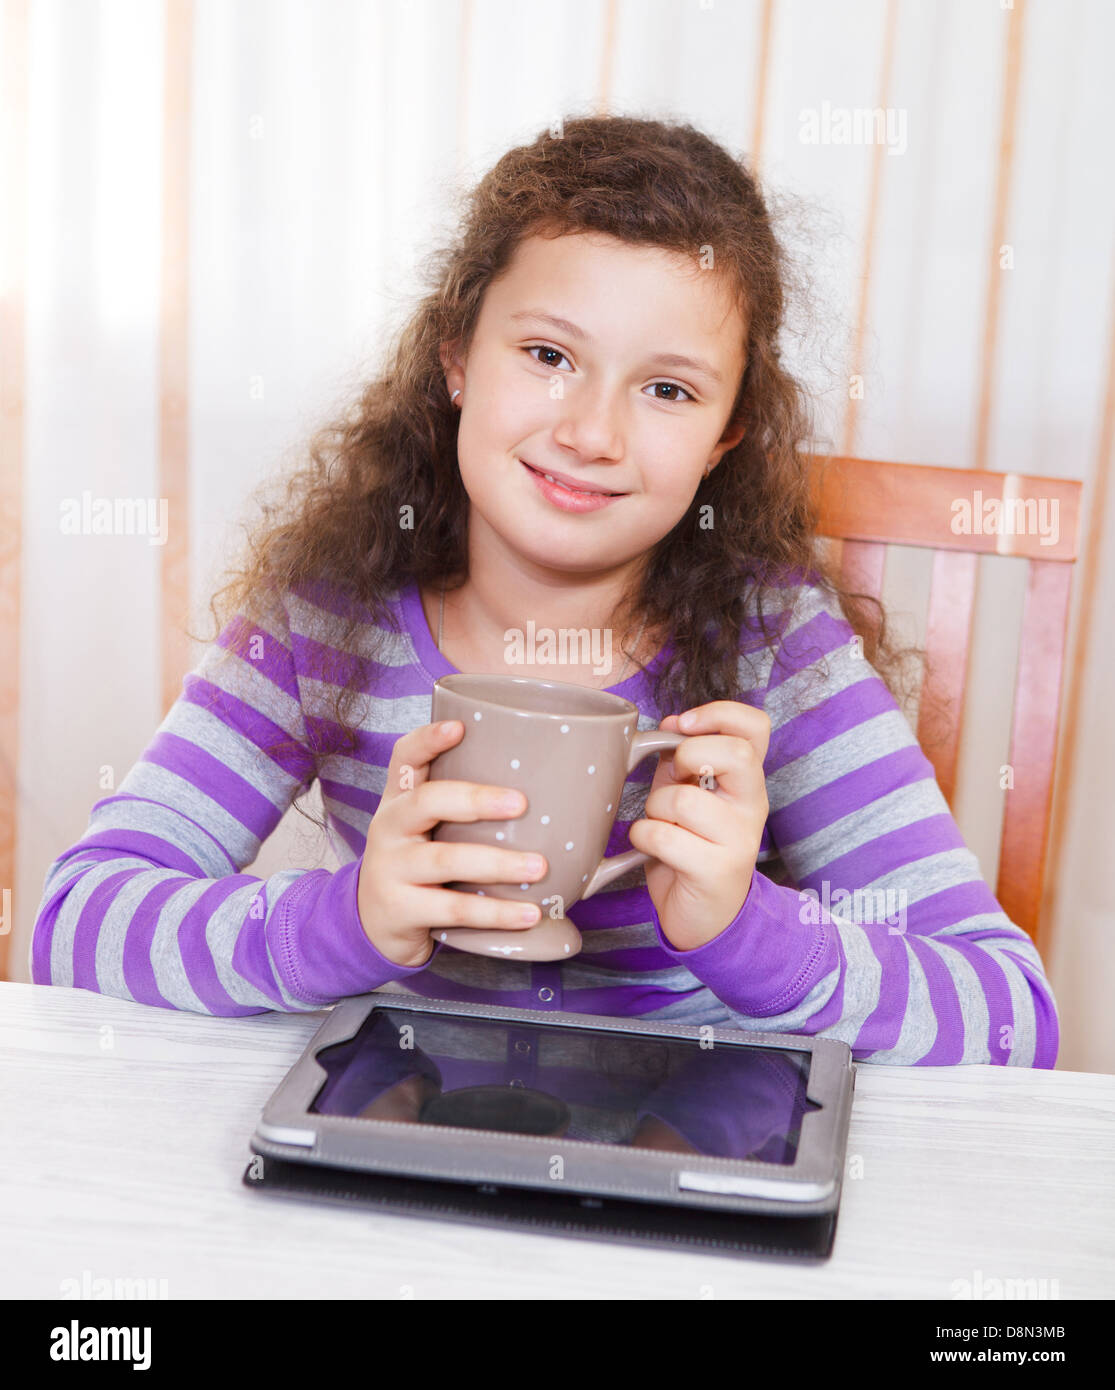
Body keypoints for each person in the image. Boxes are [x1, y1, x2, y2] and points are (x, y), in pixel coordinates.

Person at [30, 115, 1057, 1066]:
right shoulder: (326, 618)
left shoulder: (771, 645)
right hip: (397, 1120)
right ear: (456, 361)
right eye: (546, 354)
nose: (591, 433)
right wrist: (348, 920)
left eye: (666, 389)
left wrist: (747, 930)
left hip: (687, 1139)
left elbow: (1009, 1014)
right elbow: (76, 923)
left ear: (724, 437)